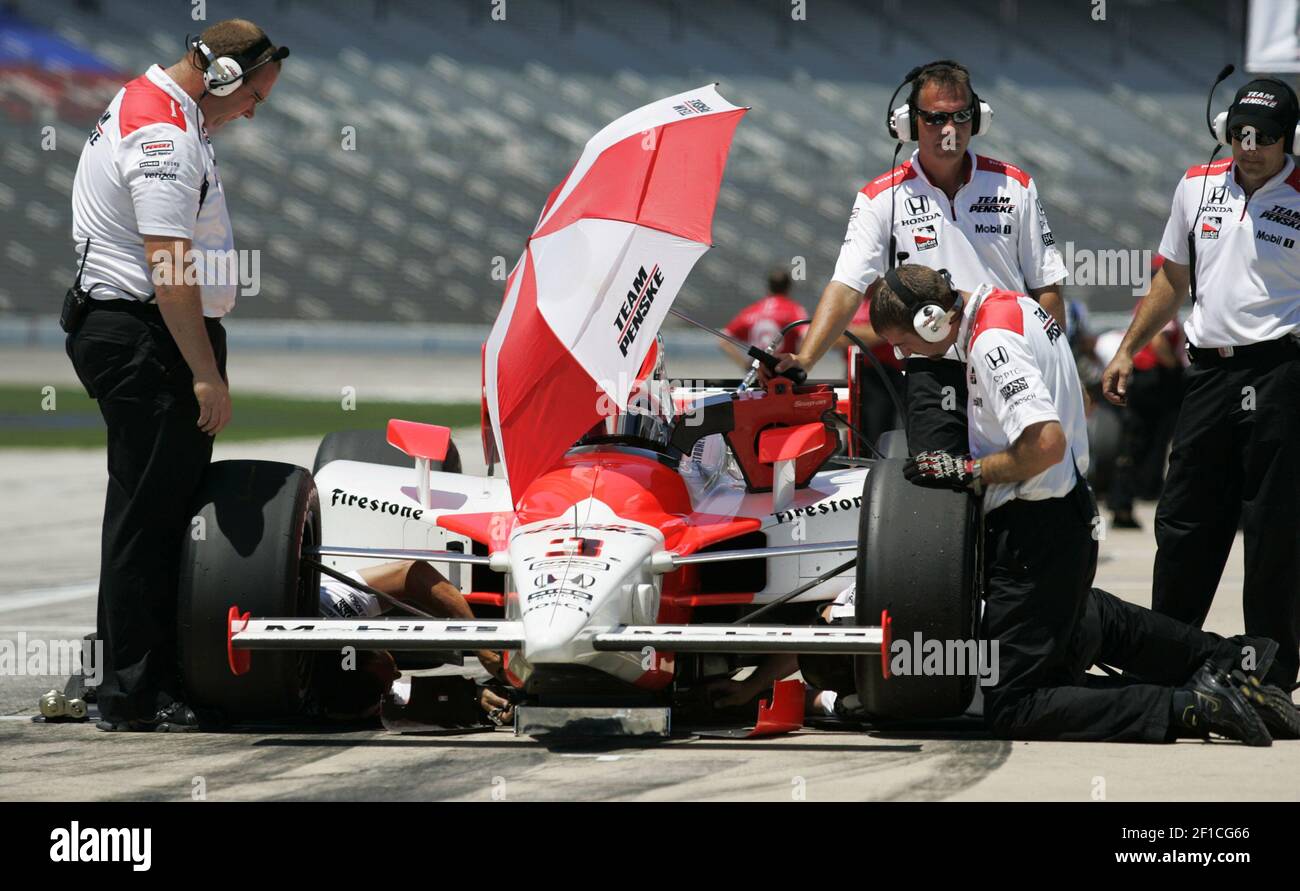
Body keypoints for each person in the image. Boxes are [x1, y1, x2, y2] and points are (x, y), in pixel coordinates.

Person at [871, 264, 1298, 744]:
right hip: (1065, 514)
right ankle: (1233, 663)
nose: (901, 354)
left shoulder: (992, 344)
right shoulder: (1015, 305)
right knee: (1081, 619)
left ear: (932, 320)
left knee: (1015, 702)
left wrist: (969, 472)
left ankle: (1194, 705)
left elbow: (1044, 444)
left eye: (902, 341)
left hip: (1033, 528)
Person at [65, 20, 287, 732]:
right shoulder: (164, 133)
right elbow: (168, 266)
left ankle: (122, 671)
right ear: (222, 75)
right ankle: (132, 690)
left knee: (145, 510)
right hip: (149, 339)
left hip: (140, 333)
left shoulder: (155, 107)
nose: (252, 111)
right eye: (253, 94)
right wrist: (203, 374)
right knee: (150, 519)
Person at [1102, 78, 1300, 689]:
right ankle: (1168, 658)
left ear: (1287, 139)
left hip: (1282, 370)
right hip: (1209, 370)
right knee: (1186, 516)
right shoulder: (1196, 185)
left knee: (1274, 525)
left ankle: (1270, 673)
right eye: (1238, 134)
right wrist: (1129, 348)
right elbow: (1172, 277)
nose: (1249, 147)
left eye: (1263, 138)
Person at [774, 59, 1066, 457]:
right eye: (934, 119)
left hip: (1013, 362)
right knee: (939, 494)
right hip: (935, 367)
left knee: (1017, 492)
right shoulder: (880, 198)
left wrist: (1056, 364)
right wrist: (806, 357)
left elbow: (1046, 287)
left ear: (977, 119)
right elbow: (846, 286)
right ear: (908, 125)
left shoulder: (1015, 185)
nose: (949, 130)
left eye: (961, 116)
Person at [309, 560, 514, 725]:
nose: (398, 674)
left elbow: (413, 574)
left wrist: (480, 646)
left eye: (390, 680)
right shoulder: (346, 688)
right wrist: (475, 696)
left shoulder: (329, 604)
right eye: (390, 683)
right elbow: (400, 695)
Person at [1108, 262, 1185, 529]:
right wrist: (1175, 368)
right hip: (1152, 380)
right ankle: (1124, 502)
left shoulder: (1150, 306)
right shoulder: (1156, 307)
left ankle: (1125, 503)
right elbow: (1159, 342)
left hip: (1148, 381)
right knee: (1140, 443)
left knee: (1139, 443)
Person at [719, 267, 808, 370]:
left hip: (758, 373)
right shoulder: (795, 310)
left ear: (768, 287)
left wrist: (744, 365)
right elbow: (806, 336)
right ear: (788, 288)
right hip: (784, 372)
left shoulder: (751, 311)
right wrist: (800, 361)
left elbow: (723, 340)